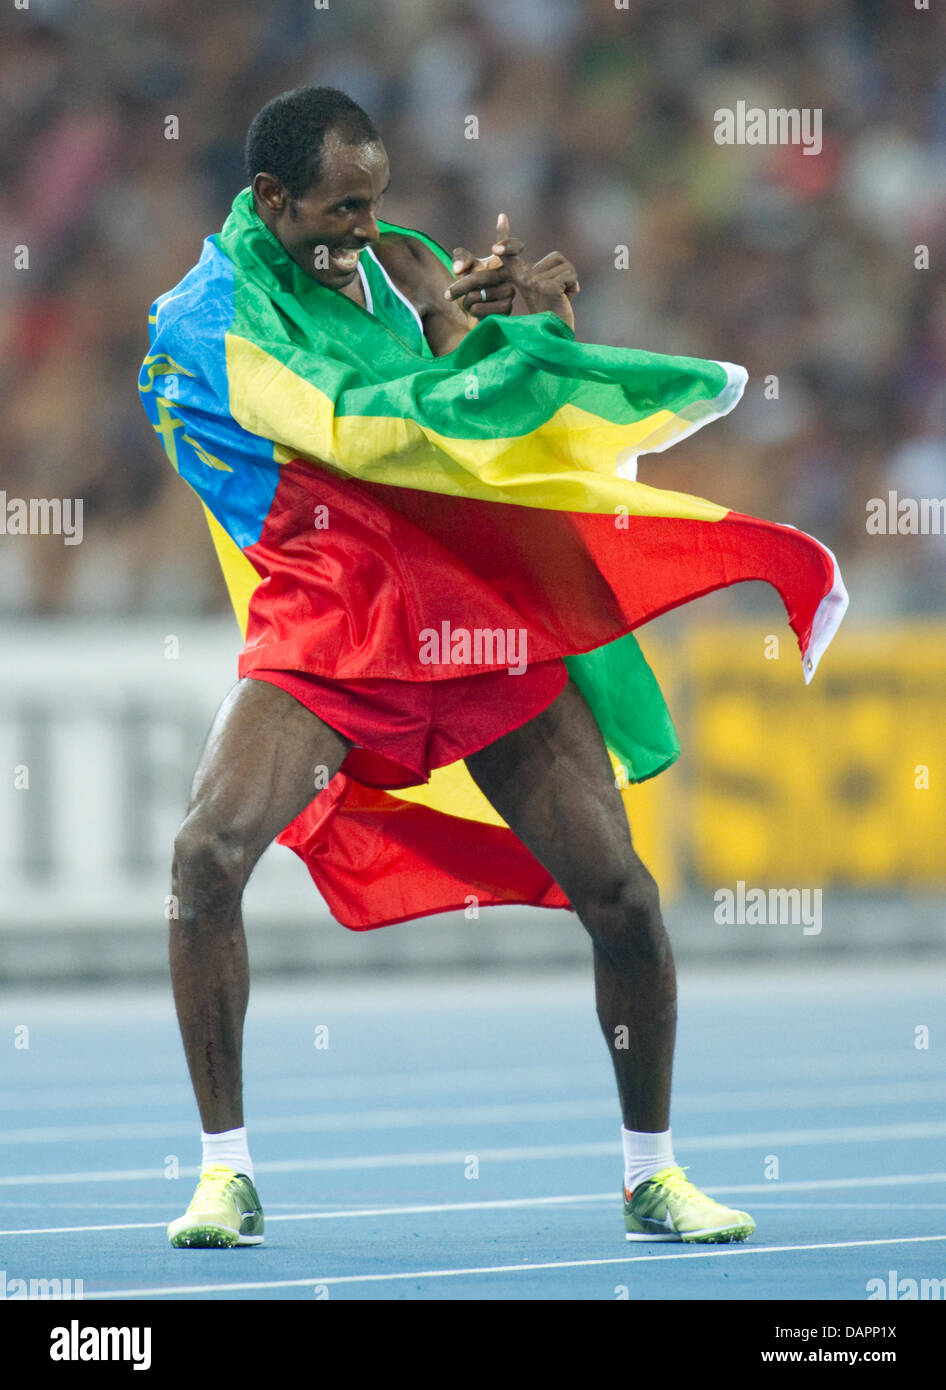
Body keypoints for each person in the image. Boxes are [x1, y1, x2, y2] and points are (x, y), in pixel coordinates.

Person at [140, 86, 845, 1250]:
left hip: (469, 611)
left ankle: (650, 1173)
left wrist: (529, 329)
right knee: (203, 856)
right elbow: (365, 422)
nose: (364, 229)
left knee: (618, 892)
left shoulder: (402, 267)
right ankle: (224, 1173)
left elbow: (492, 430)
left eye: (376, 203)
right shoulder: (208, 316)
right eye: (339, 208)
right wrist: (491, 359)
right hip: (330, 617)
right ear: (269, 200)